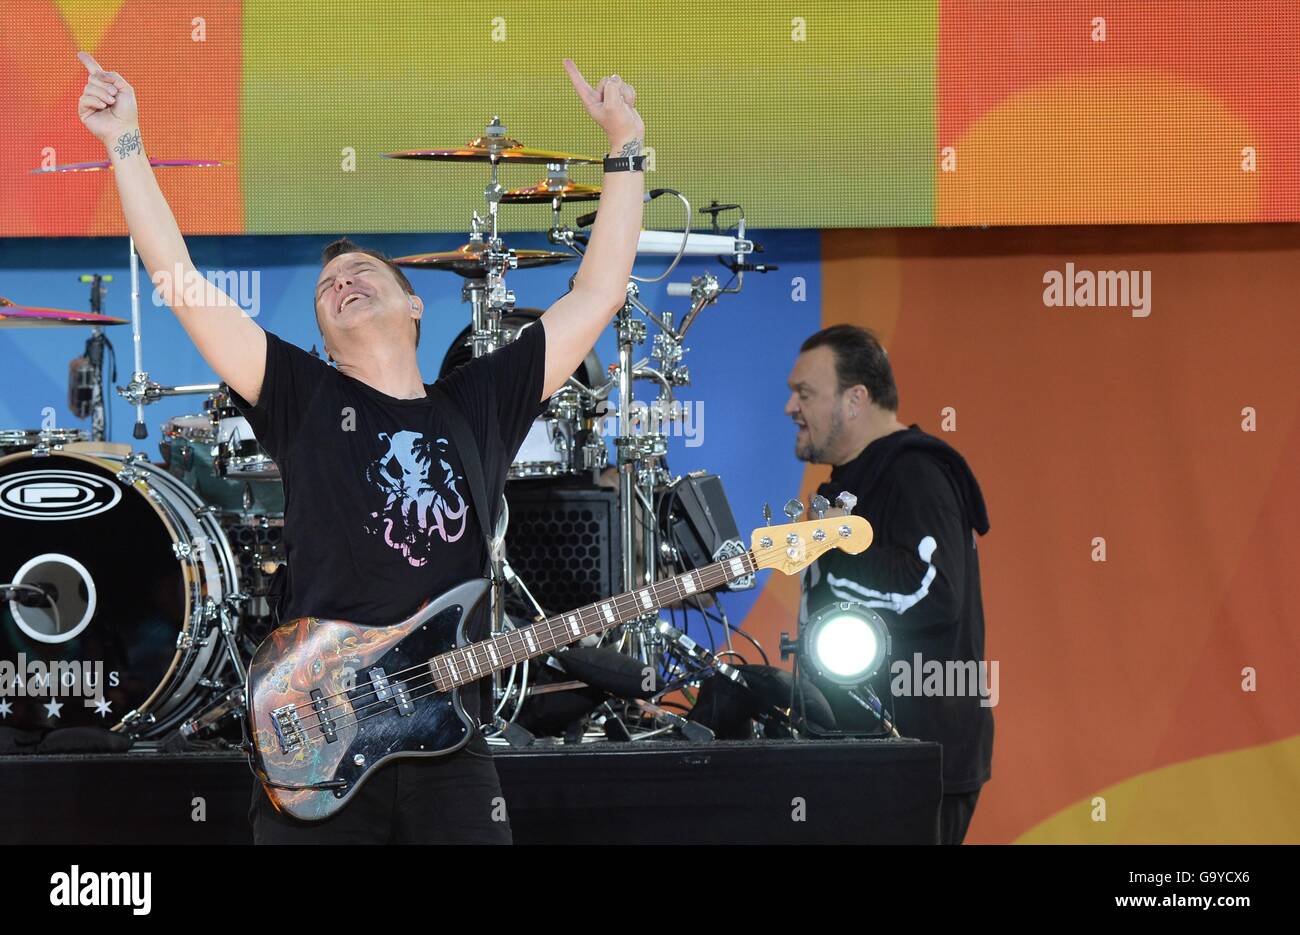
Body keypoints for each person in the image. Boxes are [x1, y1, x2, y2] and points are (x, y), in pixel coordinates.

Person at [75, 51, 646, 843]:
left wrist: (625, 142)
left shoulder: (478, 400)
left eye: (361, 271)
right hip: (318, 740)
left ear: (415, 301)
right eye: (327, 286)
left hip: (450, 744)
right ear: (320, 335)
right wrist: (125, 142)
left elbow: (599, 290)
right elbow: (178, 279)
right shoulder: (305, 396)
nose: (342, 281)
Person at [784, 324, 994, 845]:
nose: (791, 407)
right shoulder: (853, 481)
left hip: (912, 759)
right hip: (866, 753)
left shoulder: (915, 471)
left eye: (805, 392)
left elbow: (935, 590)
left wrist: (830, 547)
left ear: (855, 399)